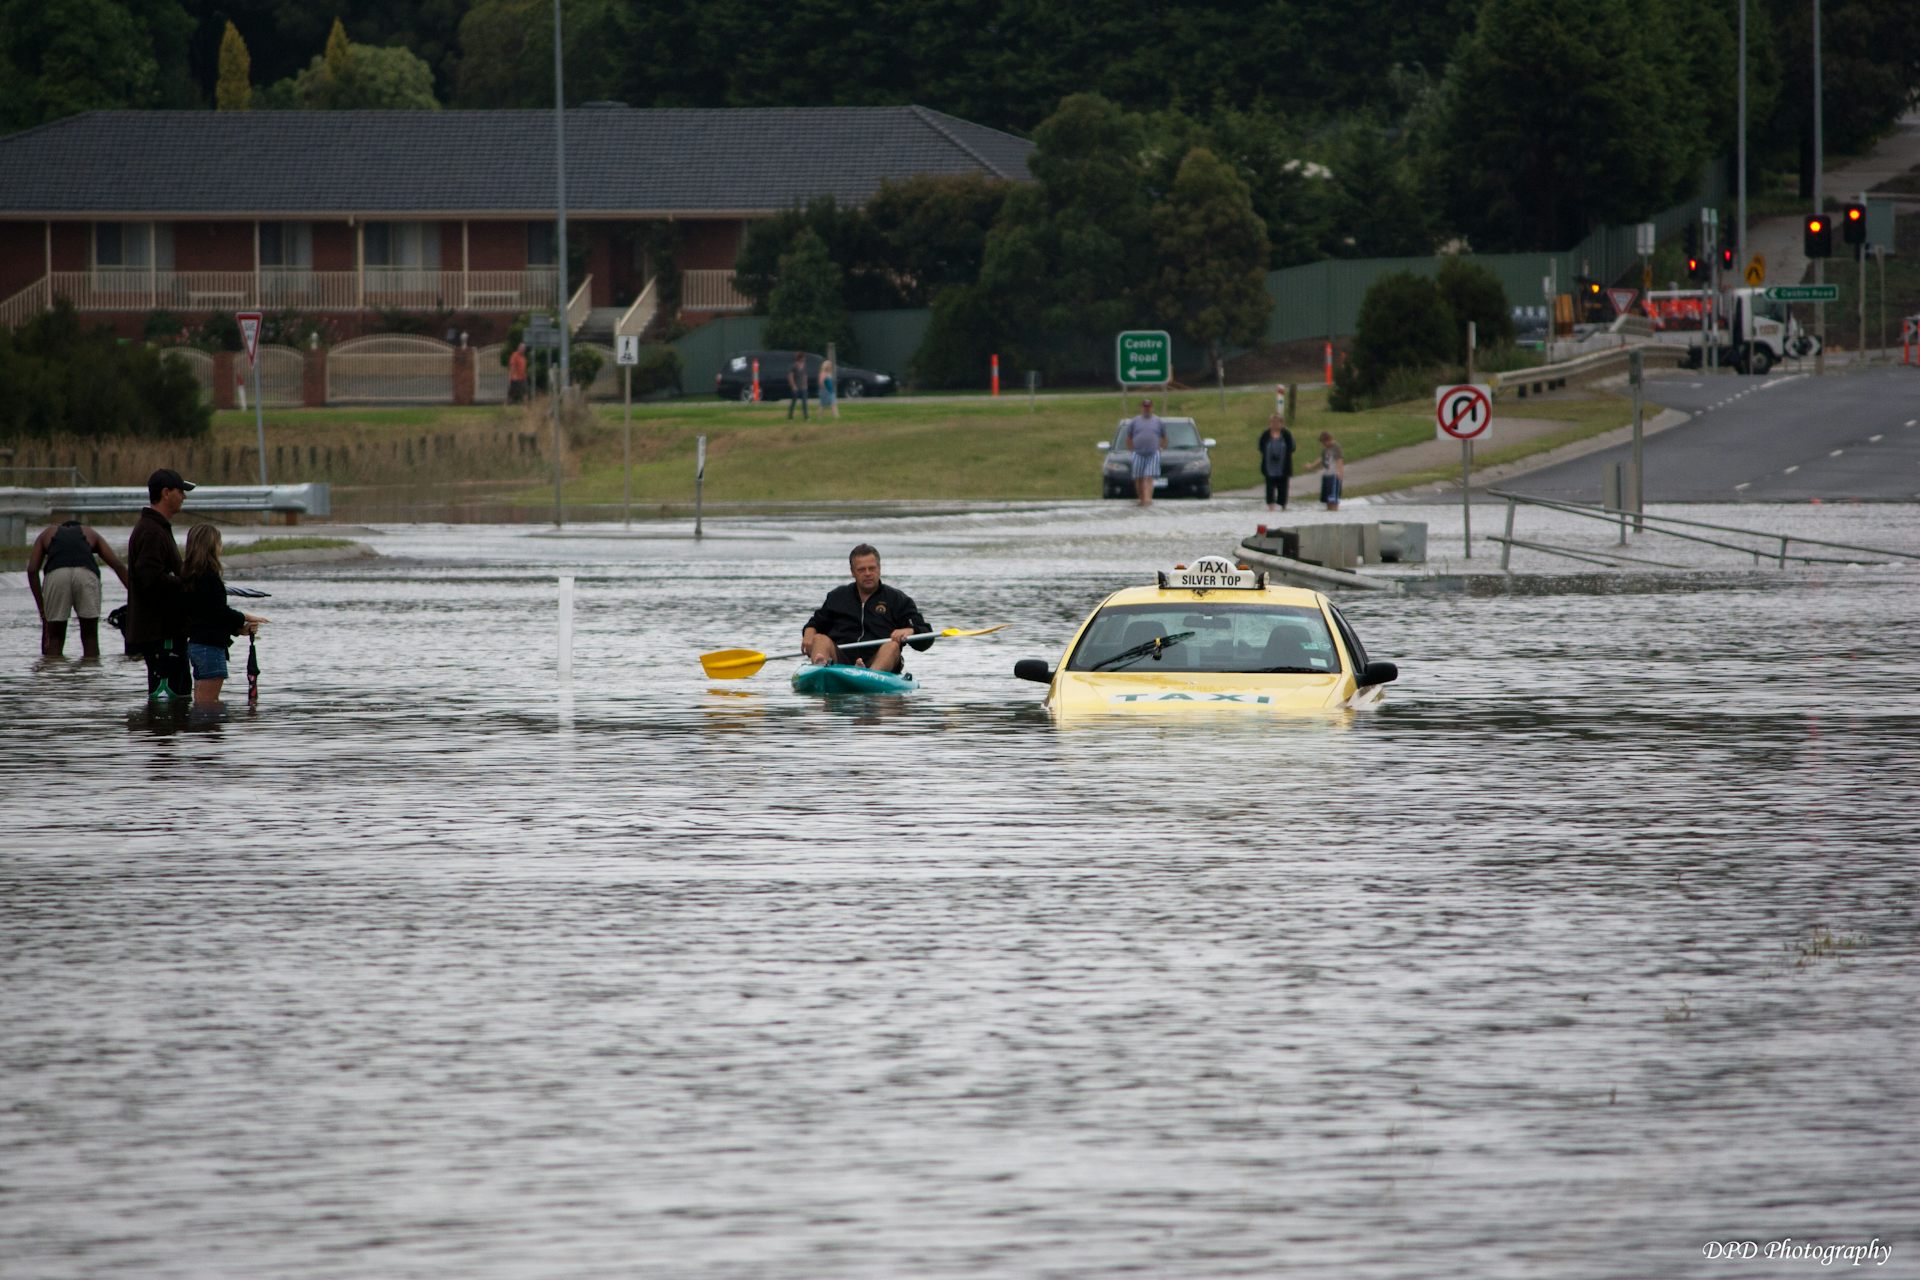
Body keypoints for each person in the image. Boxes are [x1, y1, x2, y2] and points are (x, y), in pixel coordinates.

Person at [801, 544, 932, 675]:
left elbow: (926, 637)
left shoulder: (898, 600)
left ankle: (869, 674)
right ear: (852, 572)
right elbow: (815, 623)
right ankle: (820, 669)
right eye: (861, 570)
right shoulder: (837, 596)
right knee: (819, 638)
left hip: (879, 663)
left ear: (879, 569)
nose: (868, 573)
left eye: (872, 568)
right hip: (840, 661)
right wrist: (808, 634)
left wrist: (910, 631)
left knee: (892, 646)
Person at [125, 468, 195, 700]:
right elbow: (150, 580)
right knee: (168, 700)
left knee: (180, 698)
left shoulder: (157, 528)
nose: (184, 497)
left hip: (167, 632)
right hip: (160, 634)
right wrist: (185, 583)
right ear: (166, 493)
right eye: (180, 492)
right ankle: (159, 737)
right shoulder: (152, 532)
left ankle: (166, 735)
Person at [181, 524, 266, 707]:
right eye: (219, 542)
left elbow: (207, 614)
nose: (221, 547)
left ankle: (201, 733)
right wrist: (244, 616)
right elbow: (218, 611)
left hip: (197, 645)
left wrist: (238, 629)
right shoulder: (209, 578)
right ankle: (210, 733)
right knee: (208, 704)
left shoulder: (191, 577)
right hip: (209, 648)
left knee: (203, 702)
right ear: (212, 546)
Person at [27, 515, 129, 657]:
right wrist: (136, 595)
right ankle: (90, 676)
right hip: (86, 574)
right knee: (90, 637)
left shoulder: (47, 533)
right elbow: (117, 565)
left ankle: (53, 676)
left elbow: (32, 570)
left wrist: (42, 609)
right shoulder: (89, 532)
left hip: (57, 575)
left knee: (55, 637)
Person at [1122, 397, 1167, 507]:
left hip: (1153, 453)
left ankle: (1147, 500)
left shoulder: (1158, 421)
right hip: (1138, 453)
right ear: (1141, 408)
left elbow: (1164, 437)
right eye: (1145, 407)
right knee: (1139, 478)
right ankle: (1141, 499)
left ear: (1152, 408)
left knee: (1148, 477)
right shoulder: (1134, 421)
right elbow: (1129, 438)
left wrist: (1161, 448)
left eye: (1149, 407)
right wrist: (1131, 450)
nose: (1147, 409)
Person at [1259, 412, 1295, 512]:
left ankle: (1283, 506)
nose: (1275, 424)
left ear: (1282, 423)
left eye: (1277, 422)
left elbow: (1292, 447)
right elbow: (1261, 447)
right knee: (1269, 487)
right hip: (1269, 466)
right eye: (1272, 422)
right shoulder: (1265, 434)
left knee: (1283, 487)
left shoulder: (1286, 434)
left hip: (1282, 466)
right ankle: (1271, 507)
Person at [1317, 431, 1345, 511]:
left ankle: (1334, 513)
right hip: (1326, 475)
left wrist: (1340, 473)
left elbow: (1339, 460)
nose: (1323, 445)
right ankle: (1329, 514)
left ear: (1328, 440)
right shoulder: (1325, 449)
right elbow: (1321, 459)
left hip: (1334, 475)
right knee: (1327, 500)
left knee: (1333, 500)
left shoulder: (1336, 447)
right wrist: (1312, 466)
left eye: (1324, 442)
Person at [786, 350, 811, 420]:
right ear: (800, 358)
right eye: (803, 357)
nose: (804, 359)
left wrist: (806, 385)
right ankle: (790, 416)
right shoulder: (794, 366)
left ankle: (806, 417)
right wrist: (793, 386)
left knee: (804, 403)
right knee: (793, 402)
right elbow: (790, 376)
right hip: (796, 387)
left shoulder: (804, 366)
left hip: (803, 387)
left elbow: (805, 376)